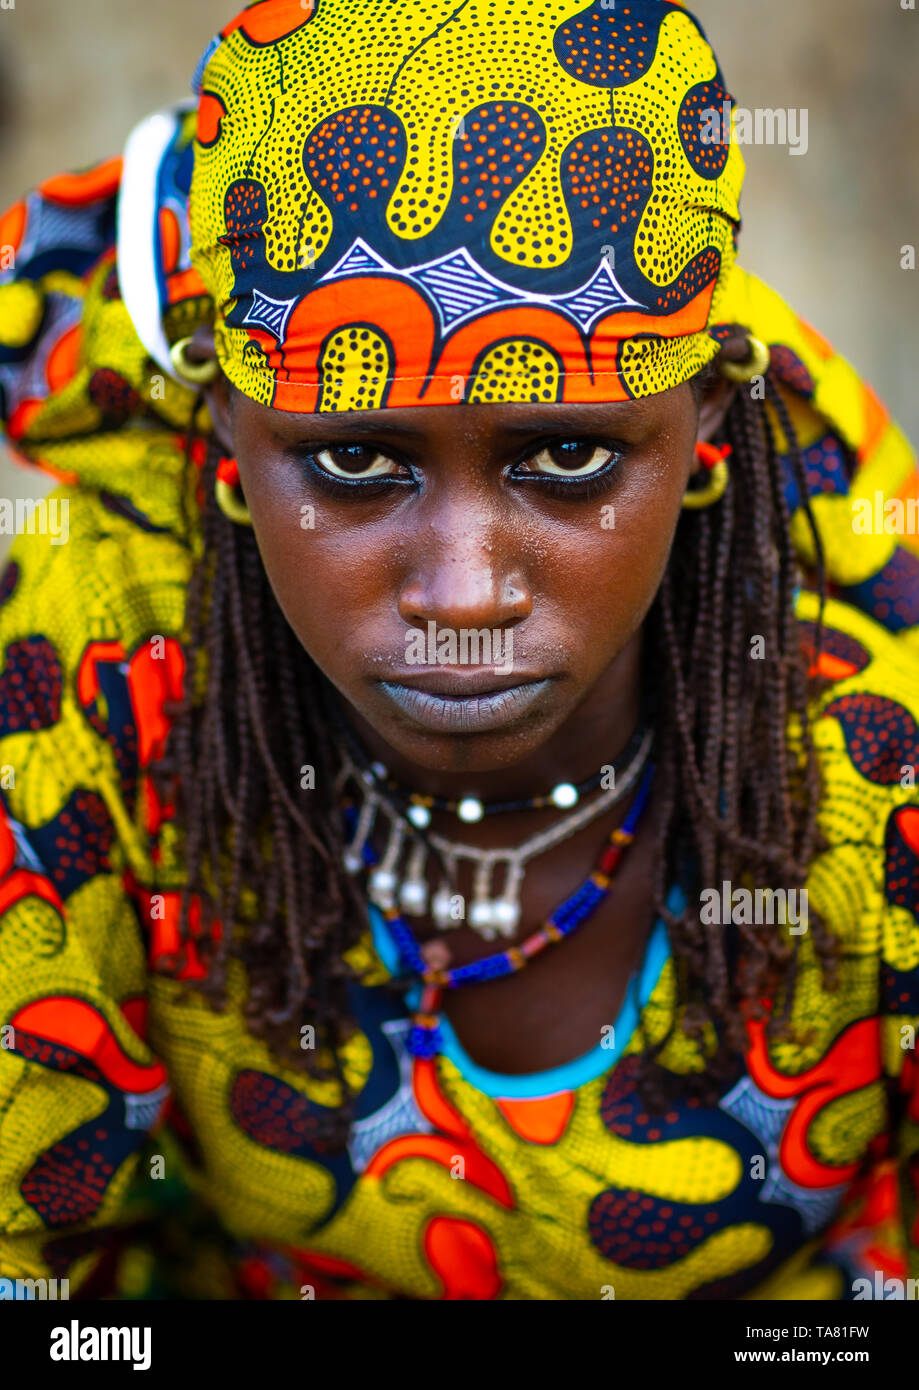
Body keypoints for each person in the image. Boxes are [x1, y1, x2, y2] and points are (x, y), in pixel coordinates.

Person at [0, 0, 917, 1301]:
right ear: (222, 426)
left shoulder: (876, 759)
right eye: (356, 460)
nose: (463, 592)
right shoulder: (109, 672)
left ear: (706, 418)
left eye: (567, 454)